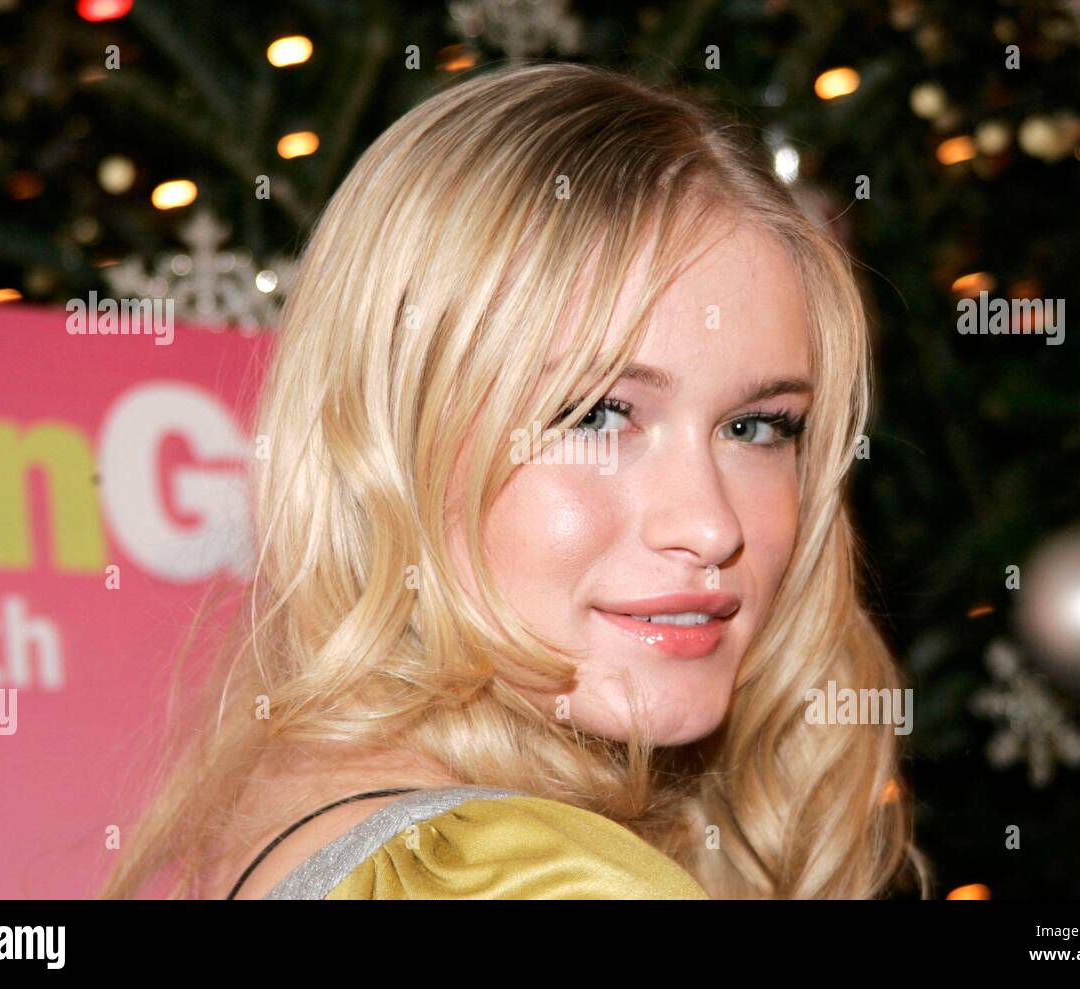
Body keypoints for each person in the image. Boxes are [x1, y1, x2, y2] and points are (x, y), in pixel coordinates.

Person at [98, 60, 929, 900]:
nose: (710, 525)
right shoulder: (526, 878)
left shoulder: (317, 825)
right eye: (598, 416)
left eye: (759, 427)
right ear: (397, 438)